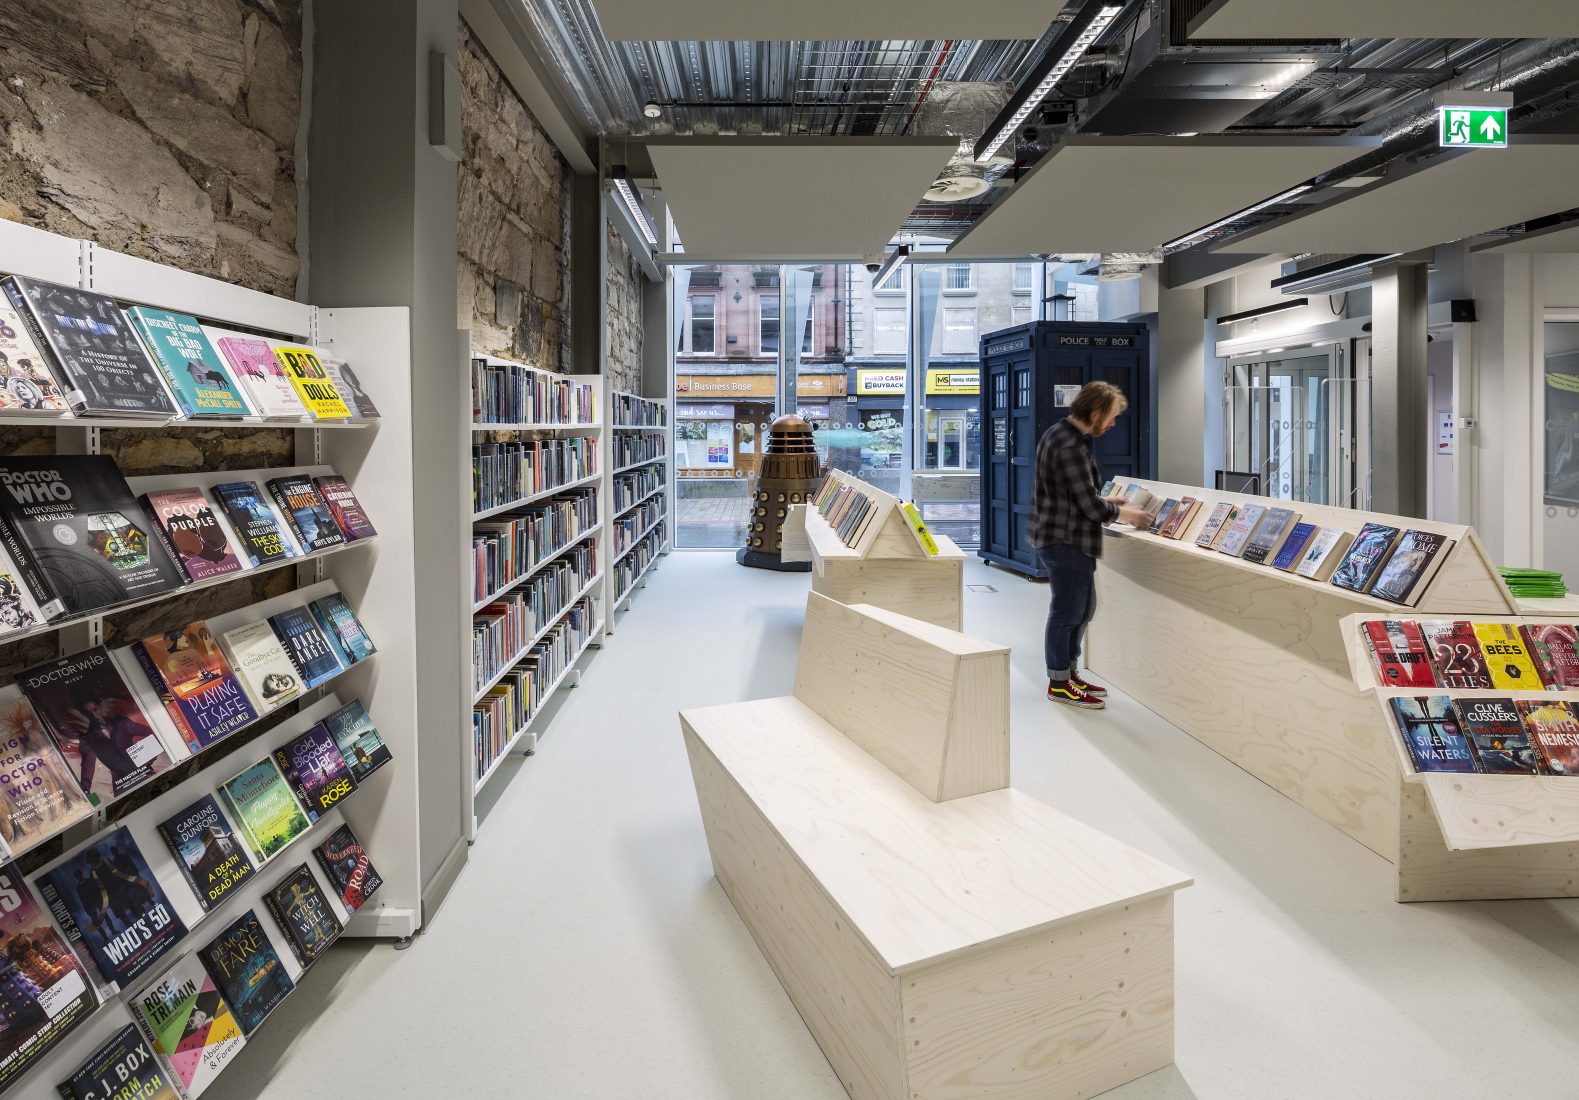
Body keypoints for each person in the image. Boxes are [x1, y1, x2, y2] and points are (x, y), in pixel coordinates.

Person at [1028, 381, 1150, 710]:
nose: (1113, 424)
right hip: (1067, 540)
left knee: (1082, 609)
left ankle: (1068, 672)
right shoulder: (1070, 446)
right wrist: (1126, 513)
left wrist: (1106, 499)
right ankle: (1059, 681)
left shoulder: (1060, 434)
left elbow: (1069, 494)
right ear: (1094, 414)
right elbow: (1090, 508)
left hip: (1063, 537)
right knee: (1068, 612)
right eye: (1111, 417)